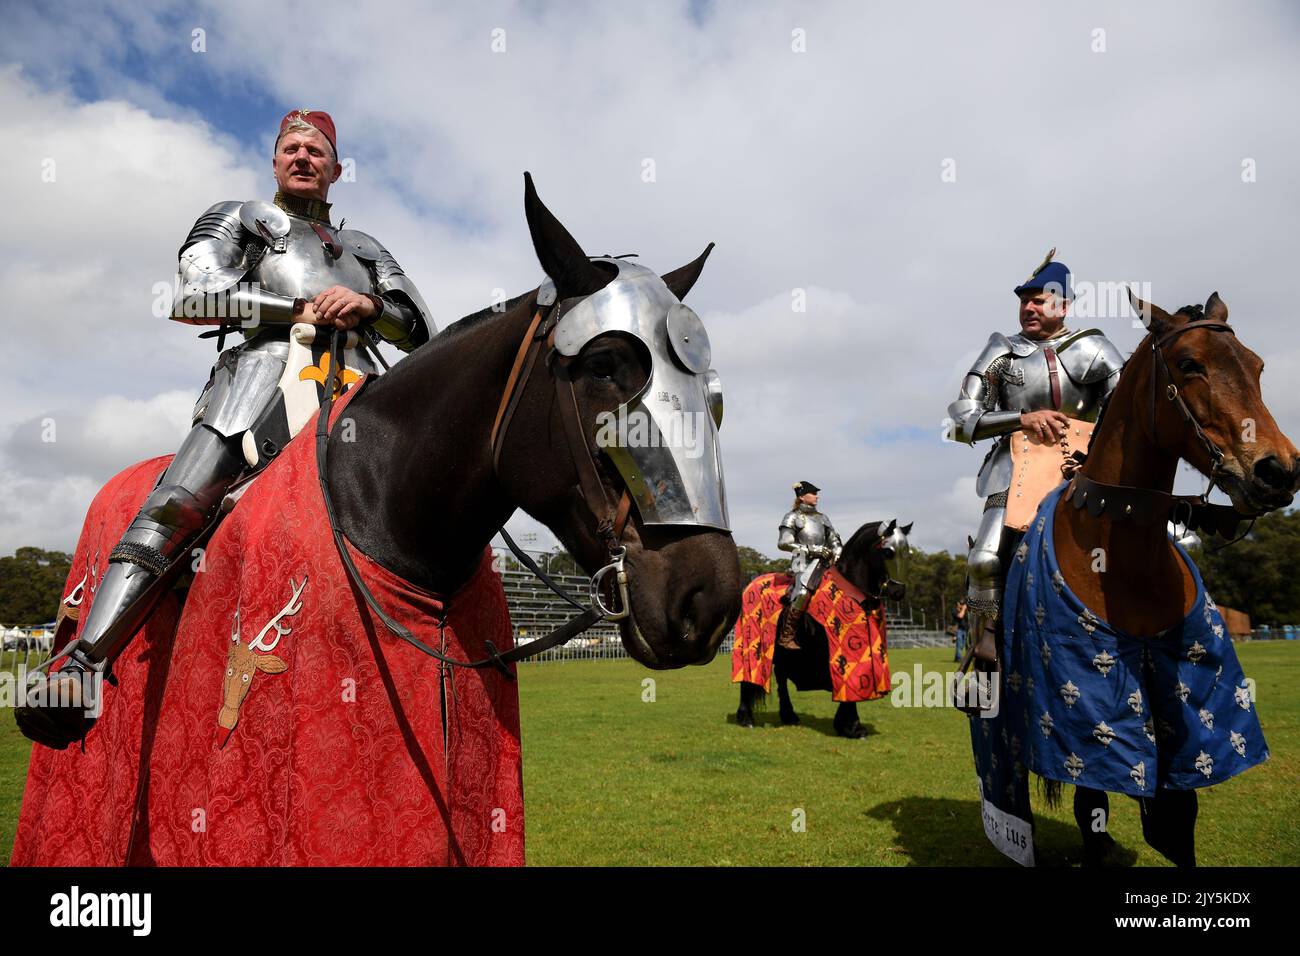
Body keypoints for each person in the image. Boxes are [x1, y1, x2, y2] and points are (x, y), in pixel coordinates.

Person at [20, 110, 436, 743]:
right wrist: (300, 307)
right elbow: (191, 296)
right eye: (291, 148)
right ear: (275, 161)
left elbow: (422, 328)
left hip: (358, 393)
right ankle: (81, 663)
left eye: (316, 151)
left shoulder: (366, 250)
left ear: (336, 170)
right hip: (259, 381)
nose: (303, 157)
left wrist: (370, 304)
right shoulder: (239, 217)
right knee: (176, 503)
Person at [945, 250, 1123, 654]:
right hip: (1014, 471)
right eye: (1024, 300)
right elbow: (960, 420)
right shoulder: (1002, 349)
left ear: (1063, 305)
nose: (1028, 307)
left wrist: (1095, 452)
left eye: (1039, 299)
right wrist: (1020, 418)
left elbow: (1125, 414)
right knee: (985, 561)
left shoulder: (1094, 347)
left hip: (1085, 470)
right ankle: (983, 652)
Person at [776, 481, 841, 650]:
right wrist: (812, 549)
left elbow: (834, 540)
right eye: (813, 493)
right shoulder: (792, 517)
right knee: (803, 593)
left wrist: (838, 553)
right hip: (802, 562)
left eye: (816, 493)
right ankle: (787, 635)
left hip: (825, 563)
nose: (817, 496)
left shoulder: (823, 518)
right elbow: (784, 543)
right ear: (802, 496)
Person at [952, 598, 968, 662]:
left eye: (963, 604)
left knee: (962, 645)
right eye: (961, 603)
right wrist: (963, 609)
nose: (962, 605)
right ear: (958, 603)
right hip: (958, 630)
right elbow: (960, 616)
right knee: (959, 644)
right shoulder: (954, 611)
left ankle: (956, 657)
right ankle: (958, 658)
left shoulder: (966, 611)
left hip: (965, 629)